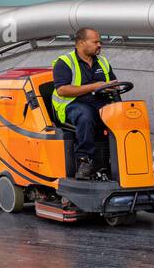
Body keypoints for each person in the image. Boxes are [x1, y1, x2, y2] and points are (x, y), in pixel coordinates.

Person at [51, 27, 122, 180]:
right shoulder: (64, 63)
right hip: (72, 105)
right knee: (85, 116)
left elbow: (111, 82)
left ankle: (123, 158)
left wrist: (111, 88)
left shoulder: (102, 62)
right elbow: (62, 90)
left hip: (98, 103)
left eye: (100, 42)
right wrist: (94, 86)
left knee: (124, 114)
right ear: (81, 43)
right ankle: (85, 161)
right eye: (95, 41)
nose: (99, 45)